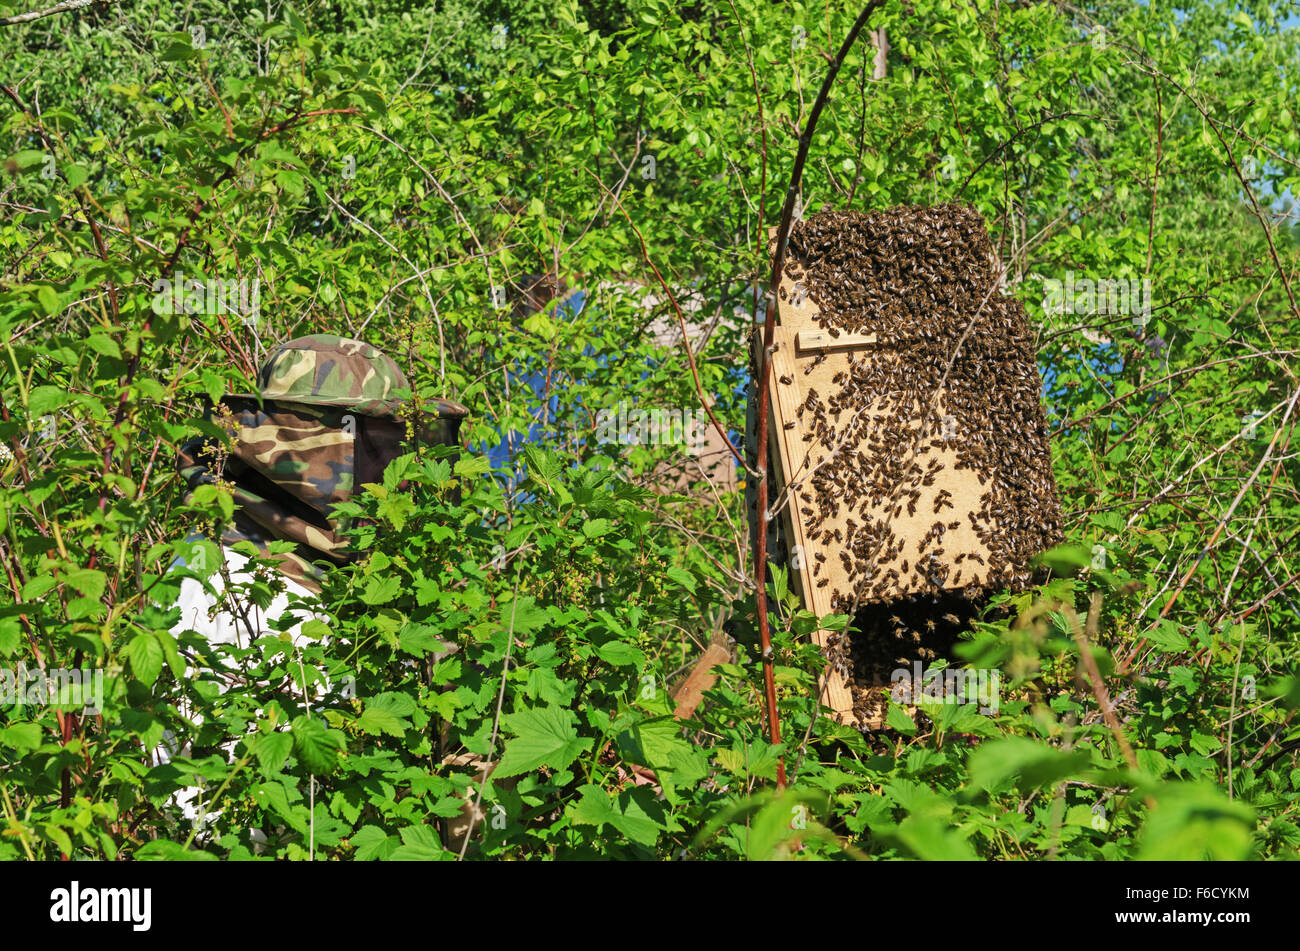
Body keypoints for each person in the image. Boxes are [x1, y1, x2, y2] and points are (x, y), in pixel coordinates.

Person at [158, 334, 468, 831]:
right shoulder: (219, 592)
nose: (392, 471)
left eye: (395, 445)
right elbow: (207, 812)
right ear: (300, 442)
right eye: (375, 446)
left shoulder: (389, 582)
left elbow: (447, 754)